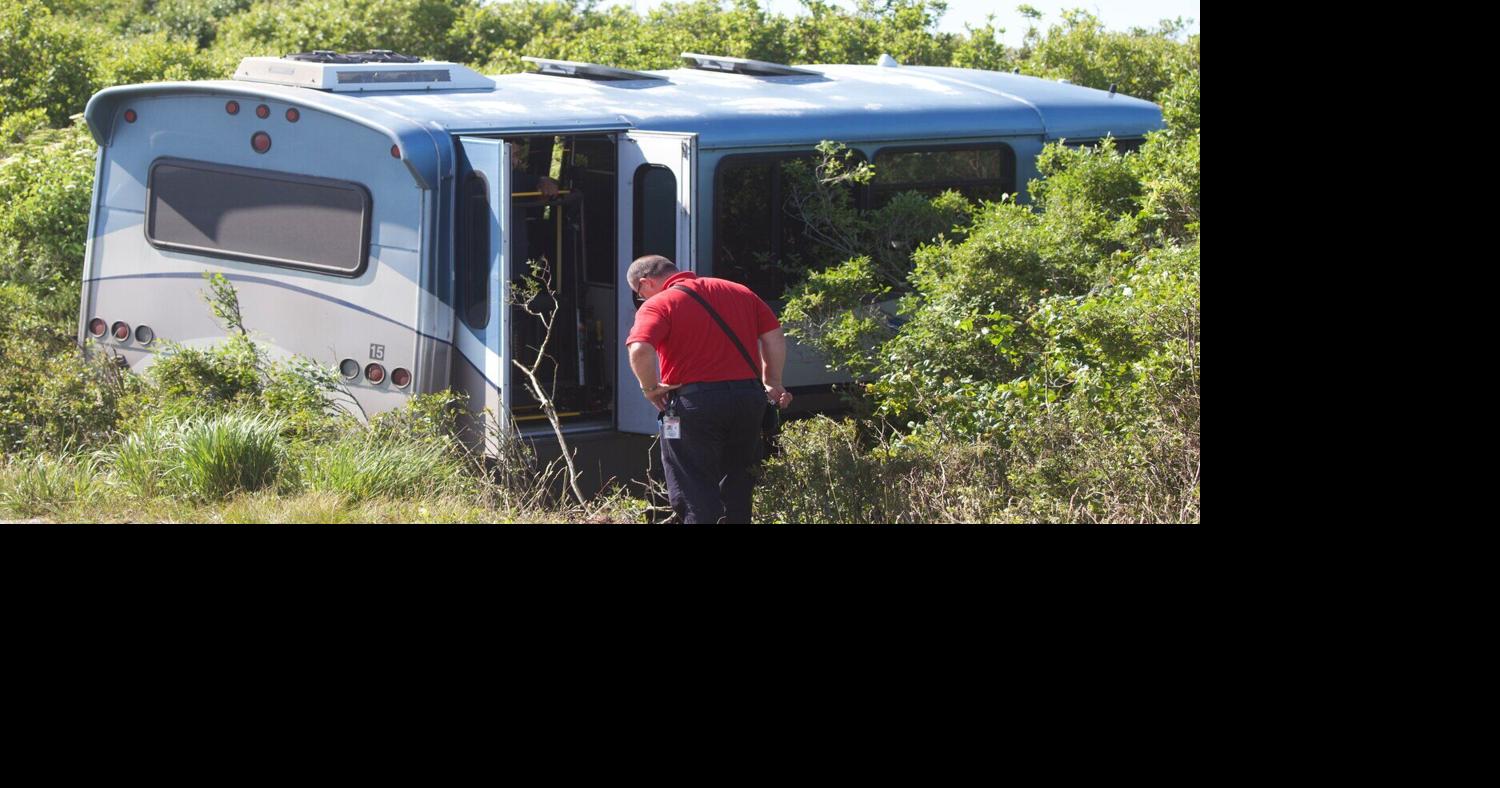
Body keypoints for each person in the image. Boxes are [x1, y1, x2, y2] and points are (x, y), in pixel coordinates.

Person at [625, 255, 792, 524]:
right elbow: (774, 336)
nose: (641, 300)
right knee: (738, 483)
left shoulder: (659, 304)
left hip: (695, 404)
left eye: (638, 294)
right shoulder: (739, 291)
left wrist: (650, 388)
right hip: (748, 400)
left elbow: (640, 348)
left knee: (693, 486)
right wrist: (772, 380)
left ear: (646, 282)